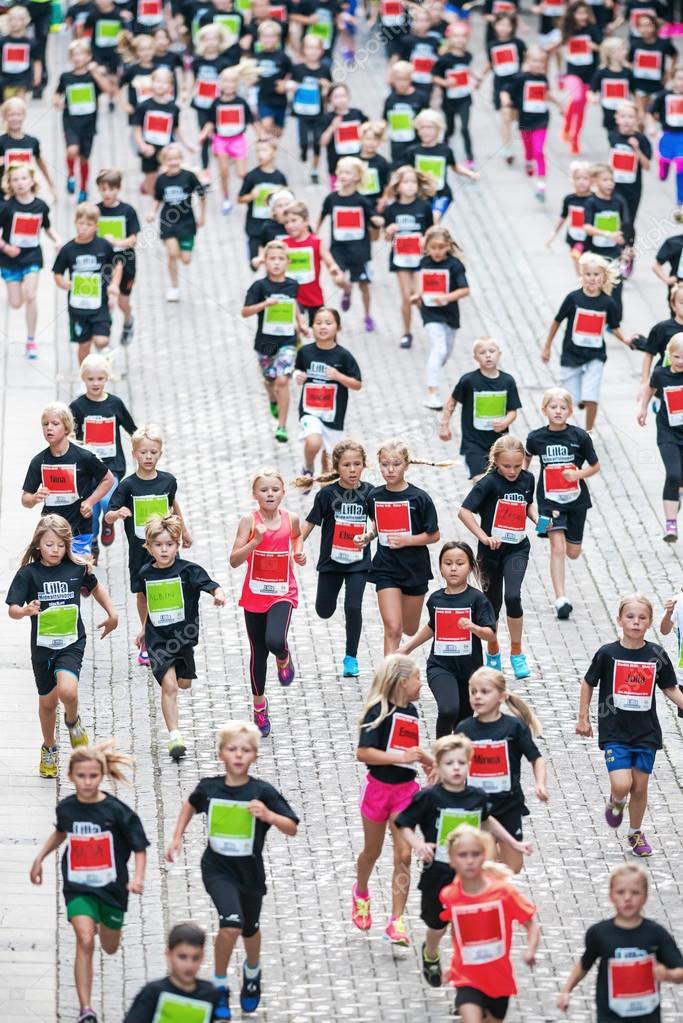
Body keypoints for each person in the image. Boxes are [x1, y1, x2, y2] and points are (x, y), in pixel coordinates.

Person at [165, 721, 299, 1019]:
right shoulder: (209, 788)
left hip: (250, 873)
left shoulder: (262, 791)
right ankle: (220, 986)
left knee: (249, 928)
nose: (238, 755)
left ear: (255, 756)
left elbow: (292, 827)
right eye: (232, 749)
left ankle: (252, 972)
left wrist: (269, 815)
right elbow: (190, 805)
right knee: (231, 924)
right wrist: (177, 838)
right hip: (217, 869)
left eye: (246, 750)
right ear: (221, 753)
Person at [396, 734, 532, 986]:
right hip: (438, 872)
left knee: (467, 929)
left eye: (461, 763)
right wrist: (418, 844)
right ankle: (431, 952)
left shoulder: (476, 796)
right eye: (449, 763)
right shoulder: (429, 797)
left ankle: (467, 983)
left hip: (470, 876)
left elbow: (486, 820)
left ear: (469, 764)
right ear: (437, 765)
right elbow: (403, 823)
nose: (456, 768)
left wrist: (513, 843)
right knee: (437, 926)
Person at [30, 741, 149, 1023]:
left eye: (93, 776)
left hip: (111, 887)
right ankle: (86, 1010)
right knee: (84, 940)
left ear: (102, 775)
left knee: (109, 947)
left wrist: (139, 878)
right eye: (81, 776)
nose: (87, 782)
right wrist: (39, 858)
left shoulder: (117, 811)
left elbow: (140, 846)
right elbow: (61, 833)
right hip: (78, 884)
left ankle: (100, 919)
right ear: (71, 776)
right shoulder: (67, 808)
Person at [6, 514, 118, 776]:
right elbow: (12, 609)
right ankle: (50, 748)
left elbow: (96, 588)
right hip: (43, 647)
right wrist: (25, 611)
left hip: (71, 642)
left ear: (67, 545)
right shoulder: (28, 574)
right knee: (47, 703)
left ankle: (72, 721)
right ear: (38, 545)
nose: (55, 550)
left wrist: (113, 614)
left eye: (60, 545)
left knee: (67, 692)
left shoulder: (76, 568)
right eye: (49, 544)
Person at [577, 593, 683, 857]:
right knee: (623, 784)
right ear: (619, 619)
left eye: (642, 618)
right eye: (630, 617)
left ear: (649, 623)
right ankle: (615, 801)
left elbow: (670, 688)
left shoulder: (656, 655)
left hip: (646, 732)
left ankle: (635, 833)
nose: (636, 622)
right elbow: (588, 682)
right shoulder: (607, 653)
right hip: (615, 731)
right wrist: (583, 717)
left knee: (640, 786)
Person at [352, 654, 434, 946]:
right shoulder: (377, 711)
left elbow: (408, 747)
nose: (421, 683)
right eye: (417, 678)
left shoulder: (412, 711)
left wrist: (423, 759)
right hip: (377, 789)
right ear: (403, 681)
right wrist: (400, 757)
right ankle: (361, 891)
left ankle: (396, 921)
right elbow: (364, 753)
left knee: (403, 855)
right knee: (371, 852)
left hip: (405, 792)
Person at [138, 514, 226, 760]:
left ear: (177, 545)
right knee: (170, 686)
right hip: (158, 641)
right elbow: (144, 600)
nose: (164, 550)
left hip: (183, 638)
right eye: (158, 545)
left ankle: (177, 684)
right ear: (149, 547)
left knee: (184, 683)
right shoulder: (145, 573)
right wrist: (144, 628)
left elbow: (211, 584)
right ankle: (174, 736)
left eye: (169, 544)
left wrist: (218, 594)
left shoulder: (188, 570)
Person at [106, 424, 192, 666]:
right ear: (134, 454)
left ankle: (166, 636)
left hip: (166, 548)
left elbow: (173, 504)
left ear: (160, 453)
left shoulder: (168, 481)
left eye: (153, 452)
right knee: (143, 592)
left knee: (167, 588)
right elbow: (109, 514)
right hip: (139, 549)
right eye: (143, 452)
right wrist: (117, 514)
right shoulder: (128, 485)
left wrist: (184, 531)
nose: (148, 457)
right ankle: (147, 640)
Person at [229, 467, 305, 737]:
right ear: (255, 494)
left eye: (275, 489)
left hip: (283, 592)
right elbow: (234, 560)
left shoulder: (291, 519)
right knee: (258, 653)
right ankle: (259, 707)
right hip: (255, 595)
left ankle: (284, 658)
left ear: (283, 492)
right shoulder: (248, 522)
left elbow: (296, 537)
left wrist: (298, 552)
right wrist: (255, 542)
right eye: (264, 490)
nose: (270, 494)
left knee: (275, 641)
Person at [438, 824, 539, 1023]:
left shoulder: (503, 892)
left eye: (475, 854)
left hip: (498, 979)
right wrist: (453, 964)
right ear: (451, 860)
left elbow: (530, 924)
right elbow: (458, 932)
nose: (469, 861)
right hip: (466, 977)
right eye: (463, 855)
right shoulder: (449, 895)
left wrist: (530, 950)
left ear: (484, 856)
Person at [558, 864, 683, 1019]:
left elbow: (680, 970)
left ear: (645, 897)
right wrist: (566, 990)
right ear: (611, 895)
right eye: (621, 892)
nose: (627, 898)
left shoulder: (656, 934)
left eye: (635, 893)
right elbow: (585, 963)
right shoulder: (599, 933)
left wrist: (668, 975)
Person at [458, 435, 537, 681]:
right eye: (506, 466)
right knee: (492, 605)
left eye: (516, 465)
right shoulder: (488, 483)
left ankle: (517, 652)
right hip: (490, 552)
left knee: (513, 596)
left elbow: (528, 504)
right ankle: (492, 652)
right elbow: (464, 511)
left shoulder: (528, 479)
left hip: (517, 548)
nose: (512, 471)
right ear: (496, 462)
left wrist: (537, 519)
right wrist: (483, 536)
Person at [356, 439, 444, 654]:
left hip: (415, 568)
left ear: (406, 465)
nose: (390, 469)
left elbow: (434, 535)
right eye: (385, 464)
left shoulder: (420, 498)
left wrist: (408, 540)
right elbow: (377, 524)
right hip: (386, 567)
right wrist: (368, 536)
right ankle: (390, 682)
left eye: (396, 464)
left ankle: (400, 658)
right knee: (393, 628)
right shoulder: (374, 496)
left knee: (410, 628)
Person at [399, 542, 496, 738]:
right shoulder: (435, 599)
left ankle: (458, 760)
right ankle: (440, 753)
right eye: (448, 563)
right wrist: (407, 648)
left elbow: (491, 634)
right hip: (440, 666)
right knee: (448, 709)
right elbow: (433, 627)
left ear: (470, 567)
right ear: (441, 567)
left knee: (464, 721)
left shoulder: (477, 599)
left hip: (470, 670)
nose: (453, 568)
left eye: (459, 563)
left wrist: (474, 628)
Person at [459, 667, 548, 871]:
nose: (477, 697)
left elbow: (536, 758)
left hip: (508, 805)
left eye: (484, 692)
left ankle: (498, 857)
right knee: (486, 866)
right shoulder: (464, 729)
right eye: (473, 692)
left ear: (501, 696)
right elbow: (453, 760)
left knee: (513, 868)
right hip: (476, 806)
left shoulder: (513, 727)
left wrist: (540, 784)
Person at [298, 440, 372, 677]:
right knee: (324, 610)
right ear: (336, 467)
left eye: (357, 464)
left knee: (353, 606)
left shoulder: (370, 493)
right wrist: (296, 546)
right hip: (331, 562)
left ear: (364, 466)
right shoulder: (327, 494)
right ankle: (328, 610)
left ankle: (351, 658)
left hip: (358, 562)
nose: (352, 470)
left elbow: (381, 524)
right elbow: (308, 524)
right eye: (347, 465)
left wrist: (369, 536)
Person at [525, 387, 600, 617]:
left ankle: (573, 542)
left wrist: (577, 475)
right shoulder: (535, 437)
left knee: (573, 552)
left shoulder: (580, 437)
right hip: (548, 500)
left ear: (569, 411)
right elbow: (526, 460)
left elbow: (595, 466)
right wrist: (521, 485)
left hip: (576, 500)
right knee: (556, 547)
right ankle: (560, 599)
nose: (558, 411)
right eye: (553, 407)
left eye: (563, 408)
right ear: (544, 409)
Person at [542, 252, 631, 431]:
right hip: (571, 354)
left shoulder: (608, 303)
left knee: (591, 397)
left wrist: (626, 339)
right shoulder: (573, 298)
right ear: (582, 276)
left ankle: (588, 432)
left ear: (604, 277)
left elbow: (615, 326)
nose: (592, 279)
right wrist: (547, 346)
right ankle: (564, 431)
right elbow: (557, 321)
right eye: (588, 274)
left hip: (595, 356)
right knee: (569, 399)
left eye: (596, 274)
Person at [21, 402, 114, 557]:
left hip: (80, 529)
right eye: (45, 424)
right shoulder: (39, 461)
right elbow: (25, 499)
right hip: (51, 532)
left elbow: (108, 479)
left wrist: (90, 502)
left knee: (81, 574)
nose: (49, 428)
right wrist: (35, 497)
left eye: (55, 424)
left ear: (66, 428)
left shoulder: (84, 457)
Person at [69, 355, 136, 565]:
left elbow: (131, 428)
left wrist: (143, 445)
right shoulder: (77, 406)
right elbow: (70, 434)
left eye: (100, 378)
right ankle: (94, 543)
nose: (96, 383)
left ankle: (109, 522)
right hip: (88, 469)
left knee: (107, 500)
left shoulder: (115, 403)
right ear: (83, 379)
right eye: (90, 379)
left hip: (112, 465)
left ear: (107, 378)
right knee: (92, 508)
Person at [241, 240, 307, 443]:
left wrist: (301, 323)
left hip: (288, 340)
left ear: (287, 262)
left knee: (282, 380)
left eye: (280, 259)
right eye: (272, 259)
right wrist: (264, 304)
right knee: (270, 380)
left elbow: (293, 305)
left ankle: (282, 426)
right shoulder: (259, 286)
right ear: (265, 262)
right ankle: (271, 396)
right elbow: (245, 312)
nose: (276, 263)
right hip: (265, 344)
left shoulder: (292, 285)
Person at [0, 161, 61, 360]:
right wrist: (6, 248)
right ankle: (28, 334)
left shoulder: (40, 206)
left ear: (32, 180)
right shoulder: (6, 207)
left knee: (31, 295)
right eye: (15, 179)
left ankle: (31, 339)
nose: (20, 183)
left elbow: (47, 227)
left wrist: (57, 239)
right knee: (16, 303)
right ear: (9, 183)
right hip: (10, 259)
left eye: (24, 178)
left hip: (32, 256)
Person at [440, 337, 521, 482]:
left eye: (492, 351)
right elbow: (451, 402)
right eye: (482, 352)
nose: (488, 355)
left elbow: (513, 411)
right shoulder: (469, 380)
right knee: (481, 481)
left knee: (499, 483)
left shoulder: (507, 381)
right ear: (475, 357)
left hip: (499, 444)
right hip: (473, 442)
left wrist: (504, 423)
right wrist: (444, 426)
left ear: (499, 354)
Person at [317, 155, 383, 331]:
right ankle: (346, 289)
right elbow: (322, 216)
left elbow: (373, 217)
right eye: (341, 171)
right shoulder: (332, 199)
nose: (343, 175)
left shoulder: (362, 201)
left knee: (364, 286)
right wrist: (315, 235)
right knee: (337, 277)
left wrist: (379, 221)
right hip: (338, 248)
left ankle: (367, 316)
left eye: (348, 172)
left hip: (360, 250)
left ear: (357, 177)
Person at [293, 306, 361, 476]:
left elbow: (357, 384)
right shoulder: (305, 352)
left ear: (338, 327)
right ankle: (308, 467)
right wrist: (298, 376)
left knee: (330, 466)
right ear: (312, 326)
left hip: (333, 415)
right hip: (310, 411)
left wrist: (338, 376)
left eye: (328, 323)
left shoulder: (343, 356)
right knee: (313, 442)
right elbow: (297, 371)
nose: (323, 326)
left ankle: (324, 499)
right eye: (318, 323)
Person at [52, 202, 123, 364]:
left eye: (89, 224)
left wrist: (114, 285)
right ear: (75, 223)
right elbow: (57, 273)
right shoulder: (68, 249)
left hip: (100, 303)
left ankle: (104, 351)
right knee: (83, 345)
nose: (84, 228)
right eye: (81, 223)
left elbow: (117, 264)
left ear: (96, 226)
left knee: (101, 340)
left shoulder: (103, 245)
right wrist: (63, 284)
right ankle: (82, 379)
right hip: (78, 305)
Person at [412, 225, 470, 410]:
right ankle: (432, 392)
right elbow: (420, 285)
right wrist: (417, 296)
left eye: (441, 247)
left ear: (448, 246)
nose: (437, 252)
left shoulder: (454, 265)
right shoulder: (423, 263)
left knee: (444, 354)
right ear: (426, 247)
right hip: (430, 313)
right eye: (433, 247)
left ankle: (433, 374)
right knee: (439, 347)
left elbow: (465, 290)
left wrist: (445, 297)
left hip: (450, 314)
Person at [124, 922, 222, 1022]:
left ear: (202, 956)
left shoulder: (209, 993)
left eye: (195, 958)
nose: (189, 965)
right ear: (169, 954)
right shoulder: (153, 993)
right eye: (182, 957)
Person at [382, 165, 434, 350]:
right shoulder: (391, 210)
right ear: (398, 186)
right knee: (406, 296)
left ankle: (432, 327)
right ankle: (406, 332)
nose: (410, 186)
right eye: (406, 182)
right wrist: (389, 231)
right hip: (401, 258)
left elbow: (431, 231)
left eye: (413, 182)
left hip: (420, 257)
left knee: (419, 296)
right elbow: (386, 236)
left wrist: (425, 239)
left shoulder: (424, 206)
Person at [146, 143, 207, 302]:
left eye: (176, 158)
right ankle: (174, 287)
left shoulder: (189, 176)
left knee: (186, 260)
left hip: (187, 222)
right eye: (170, 159)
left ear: (181, 159)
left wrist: (202, 216)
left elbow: (202, 195)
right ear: (164, 161)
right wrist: (152, 212)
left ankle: (183, 249)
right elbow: (157, 199)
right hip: (168, 222)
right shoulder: (161, 179)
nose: (173, 162)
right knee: (172, 254)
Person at [54, 40, 112, 201]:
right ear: (71, 57)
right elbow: (57, 94)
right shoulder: (66, 77)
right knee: (72, 150)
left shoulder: (92, 76)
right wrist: (57, 101)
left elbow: (108, 90)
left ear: (88, 57)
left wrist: (96, 74)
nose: (78, 58)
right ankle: (71, 174)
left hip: (89, 123)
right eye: (75, 55)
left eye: (82, 54)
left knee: (84, 157)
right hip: (71, 121)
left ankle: (84, 188)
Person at [638, 333, 683, 542]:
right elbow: (650, 389)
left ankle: (678, 493)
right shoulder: (660, 374)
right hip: (668, 433)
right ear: (669, 356)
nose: (681, 362)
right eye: (676, 357)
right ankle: (671, 525)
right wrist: (643, 409)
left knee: (679, 479)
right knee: (673, 475)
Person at [500, 46, 559, 201]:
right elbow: (505, 90)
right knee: (528, 148)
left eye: (541, 61)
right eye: (535, 61)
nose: (538, 64)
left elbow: (546, 94)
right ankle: (527, 161)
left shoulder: (543, 78)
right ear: (527, 61)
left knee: (539, 151)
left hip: (542, 119)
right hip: (525, 118)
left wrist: (560, 104)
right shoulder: (520, 78)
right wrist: (506, 102)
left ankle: (541, 186)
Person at [406, 109, 479, 223]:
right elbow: (407, 172)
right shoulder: (413, 151)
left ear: (438, 129)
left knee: (434, 218)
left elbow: (454, 166)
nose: (425, 131)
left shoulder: (445, 150)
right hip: (421, 194)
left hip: (441, 195)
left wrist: (470, 173)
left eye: (429, 127)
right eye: (422, 128)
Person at [95, 168, 140, 345]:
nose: (107, 193)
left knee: (122, 302)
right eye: (103, 189)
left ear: (118, 189)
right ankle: (104, 335)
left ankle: (128, 320)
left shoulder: (127, 211)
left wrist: (116, 242)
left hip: (125, 261)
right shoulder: (96, 211)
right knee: (107, 300)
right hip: (104, 263)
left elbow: (133, 239)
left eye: (111, 189)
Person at [205, 63, 256, 213]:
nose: (228, 85)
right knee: (224, 170)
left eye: (231, 81)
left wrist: (261, 136)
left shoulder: (241, 103)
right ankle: (226, 197)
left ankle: (249, 191)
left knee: (242, 173)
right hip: (221, 140)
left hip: (238, 140)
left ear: (237, 83)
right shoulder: (216, 103)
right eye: (225, 81)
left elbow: (252, 121)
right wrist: (201, 136)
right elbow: (210, 122)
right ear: (220, 83)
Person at [283, 201, 345, 323]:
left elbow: (330, 263)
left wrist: (336, 271)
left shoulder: (316, 242)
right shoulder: (284, 244)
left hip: (313, 296)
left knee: (320, 331)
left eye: (294, 220)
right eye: (286, 222)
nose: (290, 225)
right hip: (292, 297)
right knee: (295, 330)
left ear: (306, 221)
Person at [553, 1, 601, 155]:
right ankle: (567, 124)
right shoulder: (567, 31)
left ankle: (575, 138)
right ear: (572, 15)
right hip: (572, 73)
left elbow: (603, 48)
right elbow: (557, 51)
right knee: (576, 98)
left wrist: (596, 47)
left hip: (590, 74)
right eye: (579, 13)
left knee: (581, 108)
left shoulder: (593, 30)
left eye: (584, 13)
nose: (582, 16)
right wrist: (559, 75)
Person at [478, 13, 527, 163]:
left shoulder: (518, 43)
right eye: (501, 24)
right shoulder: (491, 45)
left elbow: (526, 59)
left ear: (512, 27)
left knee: (515, 115)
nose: (504, 28)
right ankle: (507, 147)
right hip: (500, 84)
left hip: (517, 83)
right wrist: (481, 76)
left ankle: (524, 143)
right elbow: (491, 62)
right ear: (495, 26)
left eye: (507, 25)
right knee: (505, 115)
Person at [583, 164, 630, 319]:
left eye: (611, 180)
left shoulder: (619, 201)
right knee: (597, 286)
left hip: (614, 252)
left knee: (617, 286)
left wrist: (626, 248)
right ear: (595, 181)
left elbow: (625, 226)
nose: (610, 183)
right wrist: (607, 234)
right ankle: (598, 315)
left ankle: (615, 319)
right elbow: (587, 226)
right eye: (605, 180)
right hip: (595, 252)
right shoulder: (592, 202)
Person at [433, 23, 479, 168]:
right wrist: (446, 83)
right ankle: (445, 145)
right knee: (450, 128)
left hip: (464, 98)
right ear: (450, 38)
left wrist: (475, 77)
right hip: (449, 100)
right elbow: (434, 77)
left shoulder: (468, 56)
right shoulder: (444, 59)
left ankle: (470, 157)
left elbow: (466, 69)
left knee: (465, 128)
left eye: (462, 36)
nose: (459, 40)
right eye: (456, 36)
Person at [288, 33, 332, 183]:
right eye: (309, 48)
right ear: (303, 50)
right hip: (302, 112)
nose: (312, 51)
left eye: (315, 48)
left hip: (319, 113)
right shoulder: (297, 68)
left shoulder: (325, 69)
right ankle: (304, 151)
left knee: (318, 142)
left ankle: (314, 169)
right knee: (304, 142)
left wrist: (326, 89)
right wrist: (292, 87)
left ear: (321, 50)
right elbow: (290, 84)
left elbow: (329, 91)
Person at [237, 139, 287, 265]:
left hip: (273, 227)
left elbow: (287, 199)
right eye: (257, 150)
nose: (260, 154)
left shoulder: (280, 177)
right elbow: (240, 198)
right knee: (254, 262)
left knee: (274, 260)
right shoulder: (252, 176)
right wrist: (251, 196)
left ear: (274, 152)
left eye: (264, 150)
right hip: (255, 227)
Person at [0, 96, 56, 195]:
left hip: (26, 192)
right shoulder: (1, 141)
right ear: (5, 117)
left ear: (24, 116)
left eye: (18, 114)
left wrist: (51, 185)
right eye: (11, 115)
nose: (15, 118)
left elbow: (40, 162)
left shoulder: (33, 142)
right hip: (5, 193)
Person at [650, 65, 683, 222]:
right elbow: (651, 112)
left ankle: (681, 203)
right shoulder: (664, 96)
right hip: (667, 136)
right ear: (673, 79)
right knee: (664, 172)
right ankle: (663, 167)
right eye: (679, 78)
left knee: (681, 165)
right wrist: (651, 125)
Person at [546, 160, 593, 263]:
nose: (581, 182)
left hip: (590, 239)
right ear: (572, 180)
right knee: (576, 260)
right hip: (574, 237)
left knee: (589, 264)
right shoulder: (569, 199)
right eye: (578, 178)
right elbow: (563, 216)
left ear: (592, 181)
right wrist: (553, 233)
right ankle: (580, 278)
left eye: (585, 178)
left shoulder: (594, 199)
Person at [588, 37, 633, 133]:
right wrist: (592, 97)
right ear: (611, 54)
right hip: (609, 113)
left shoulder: (627, 72)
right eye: (621, 50)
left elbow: (634, 90)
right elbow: (591, 89)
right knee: (612, 136)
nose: (625, 52)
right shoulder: (601, 72)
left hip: (625, 114)